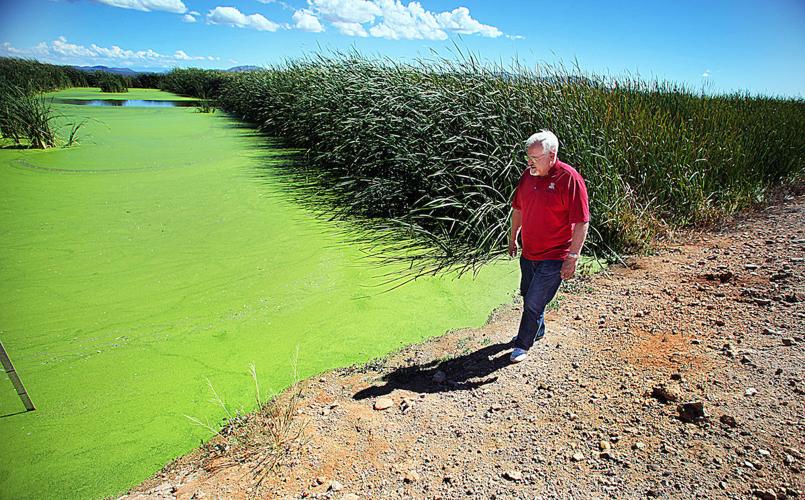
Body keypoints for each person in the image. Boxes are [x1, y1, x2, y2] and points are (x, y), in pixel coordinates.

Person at [508, 130, 590, 363]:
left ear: (552, 155)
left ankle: (522, 345)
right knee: (528, 294)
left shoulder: (569, 179)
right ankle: (538, 330)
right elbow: (518, 209)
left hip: (555, 254)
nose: (530, 163)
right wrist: (513, 237)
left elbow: (582, 221)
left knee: (534, 301)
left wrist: (572, 257)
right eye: (528, 157)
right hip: (530, 252)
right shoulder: (528, 176)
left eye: (535, 158)